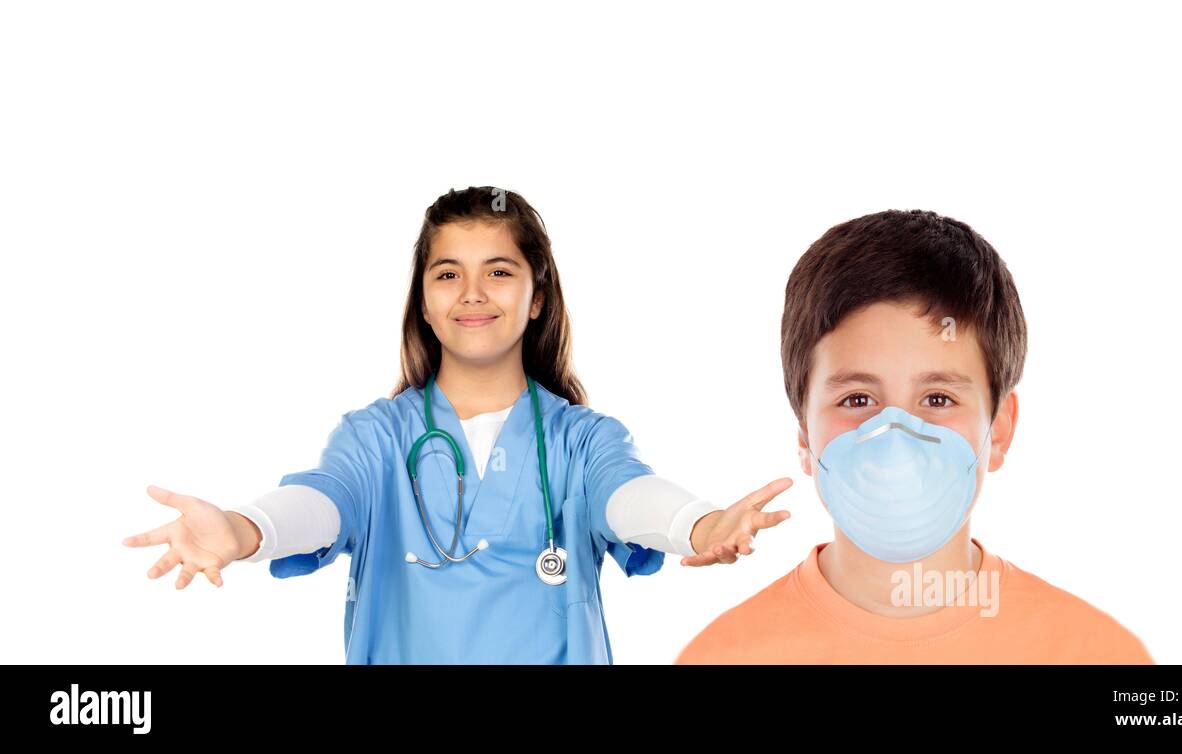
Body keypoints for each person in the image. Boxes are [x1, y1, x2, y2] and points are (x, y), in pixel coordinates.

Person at [123, 186, 792, 664]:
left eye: (499, 271)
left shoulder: (581, 441)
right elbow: (321, 503)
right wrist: (245, 530)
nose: (473, 293)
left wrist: (702, 525)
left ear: (537, 298)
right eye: (448, 274)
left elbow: (626, 496)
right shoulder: (376, 440)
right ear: (424, 300)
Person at [676, 209, 1154, 664]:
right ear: (805, 433)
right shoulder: (720, 657)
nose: (895, 439)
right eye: (858, 400)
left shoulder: (1097, 653)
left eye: (938, 399)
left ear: (1001, 428)